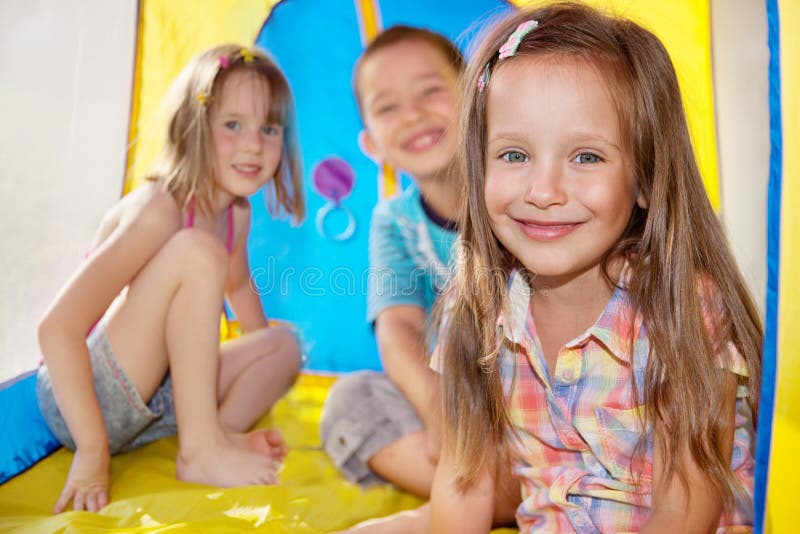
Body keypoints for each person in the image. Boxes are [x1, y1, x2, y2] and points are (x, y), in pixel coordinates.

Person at [430, 3, 762, 533]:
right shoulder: (473, 307)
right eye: (514, 155)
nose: (543, 192)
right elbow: (462, 481)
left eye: (586, 157)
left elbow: (684, 511)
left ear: (646, 178)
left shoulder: (680, 309)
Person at [36, 44, 305, 514]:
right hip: (89, 395)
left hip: (164, 400)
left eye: (269, 129)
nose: (253, 145)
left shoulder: (235, 215)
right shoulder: (159, 209)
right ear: (194, 126)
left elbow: (238, 287)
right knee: (197, 253)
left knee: (284, 345)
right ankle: (201, 450)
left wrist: (258, 361)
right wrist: (92, 450)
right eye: (232, 125)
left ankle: (215, 436)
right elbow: (56, 328)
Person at [319, 26, 519, 530]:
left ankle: (471, 496)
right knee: (350, 401)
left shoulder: (520, 189)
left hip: (532, 397)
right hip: (456, 405)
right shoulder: (394, 220)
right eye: (388, 107)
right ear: (371, 144)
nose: (413, 114)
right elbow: (398, 327)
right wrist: (442, 416)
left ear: (477, 94)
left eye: (430, 91)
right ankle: (490, 489)